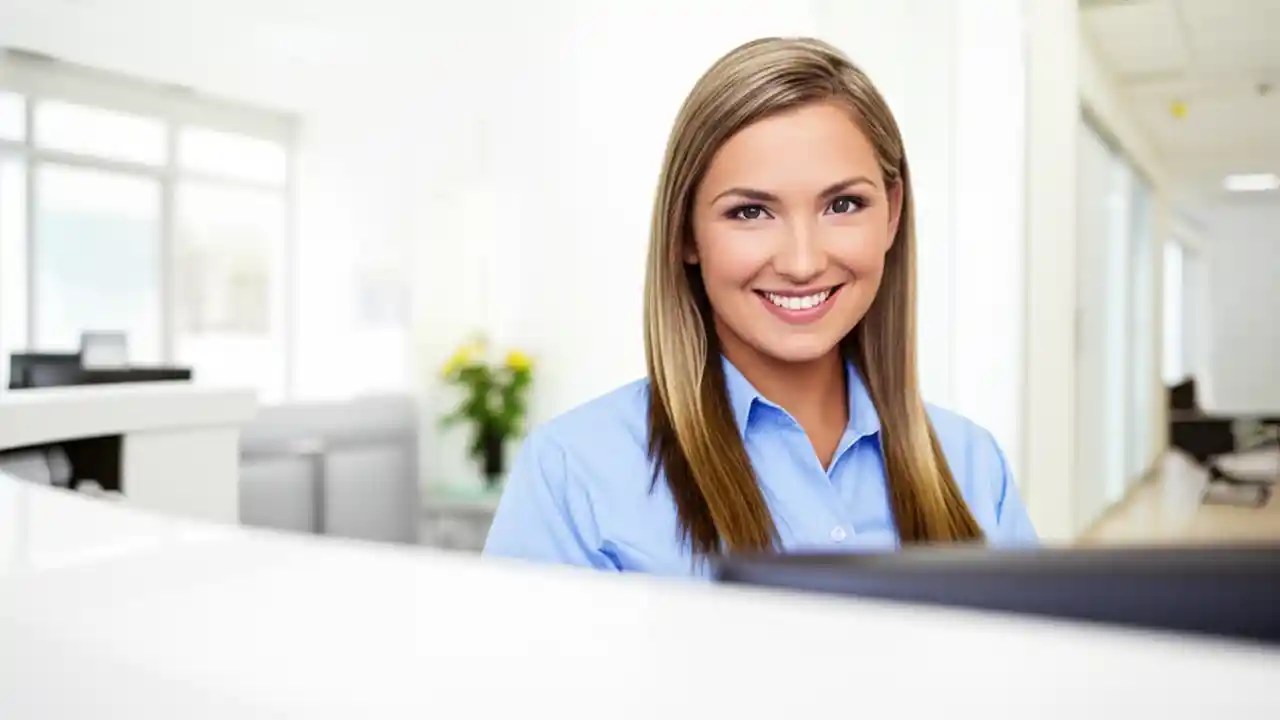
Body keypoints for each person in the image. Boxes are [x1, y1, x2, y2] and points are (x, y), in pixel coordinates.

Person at [484, 37, 1035, 575]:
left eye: (843, 205)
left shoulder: (973, 466)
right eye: (751, 212)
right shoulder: (574, 473)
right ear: (686, 234)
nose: (802, 262)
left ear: (891, 214)